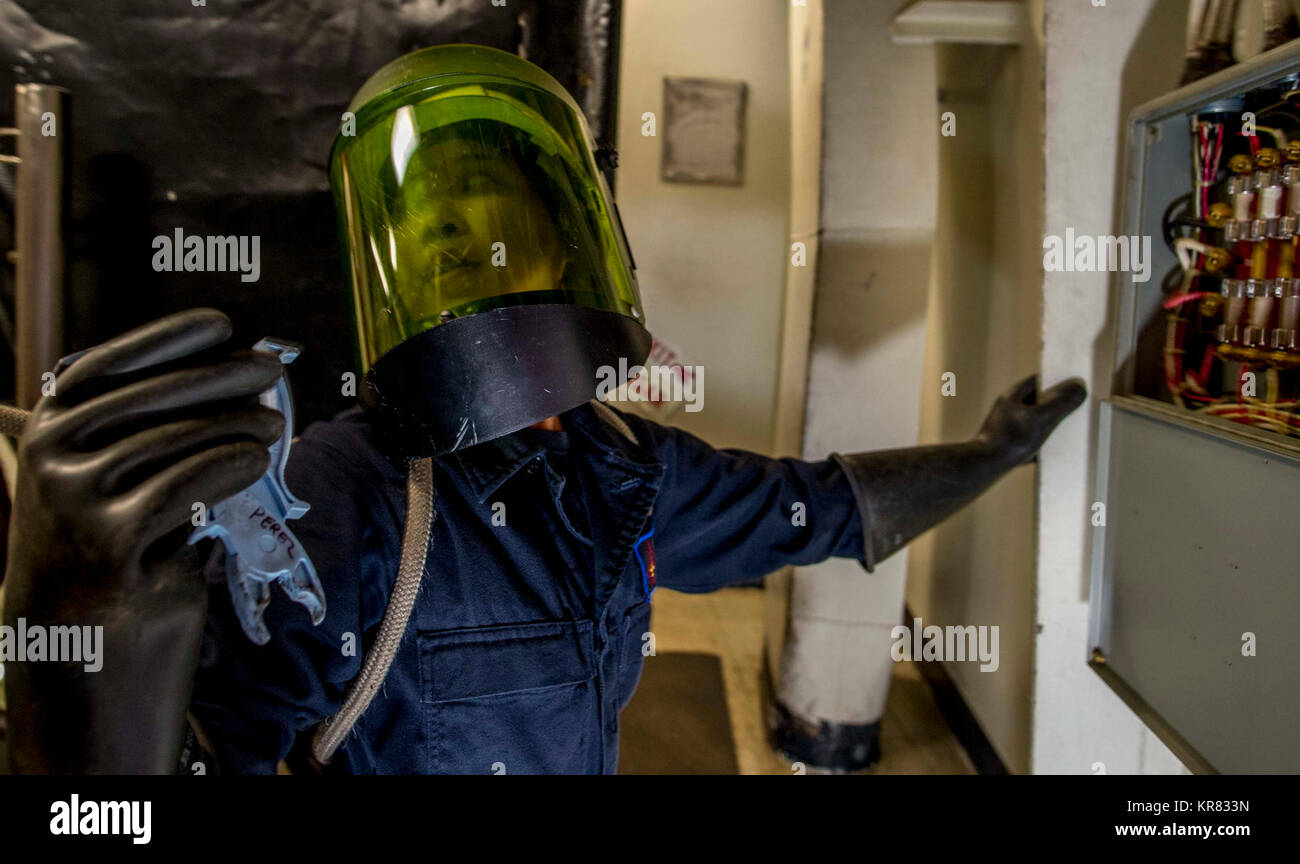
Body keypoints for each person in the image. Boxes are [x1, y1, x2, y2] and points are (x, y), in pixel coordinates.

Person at [2, 44, 1085, 774]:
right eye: (446, 241)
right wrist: (72, 654)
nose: (477, 258)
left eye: (503, 226)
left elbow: (829, 509)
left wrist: (994, 455)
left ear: (573, 243)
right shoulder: (348, 496)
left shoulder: (630, 474)